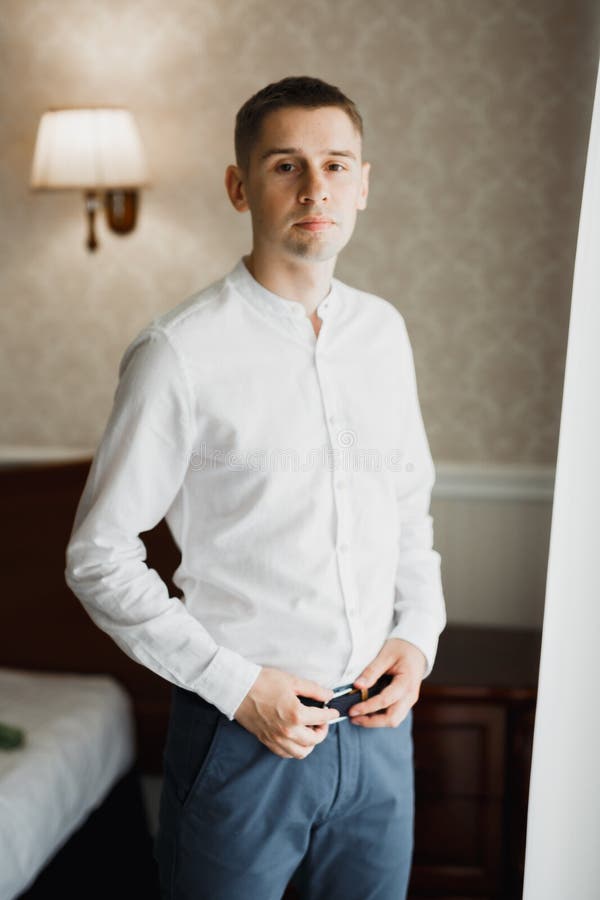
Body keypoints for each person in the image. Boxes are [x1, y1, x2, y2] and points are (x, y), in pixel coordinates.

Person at [65, 75, 446, 900]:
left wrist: (418, 638)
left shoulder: (384, 333)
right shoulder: (178, 352)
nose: (316, 189)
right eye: (286, 166)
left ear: (364, 184)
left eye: (337, 165)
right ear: (240, 185)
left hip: (379, 736)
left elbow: (407, 505)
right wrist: (239, 688)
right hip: (242, 741)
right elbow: (98, 556)